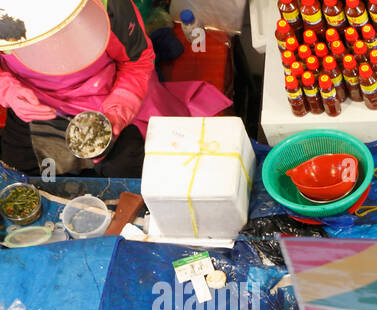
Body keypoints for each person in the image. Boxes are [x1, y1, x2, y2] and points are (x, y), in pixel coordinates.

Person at [0, 0, 229, 178]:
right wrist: (8, 91)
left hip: (110, 94)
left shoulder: (110, 7)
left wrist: (120, 108)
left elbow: (137, 61)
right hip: (36, 103)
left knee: (131, 169)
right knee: (16, 171)